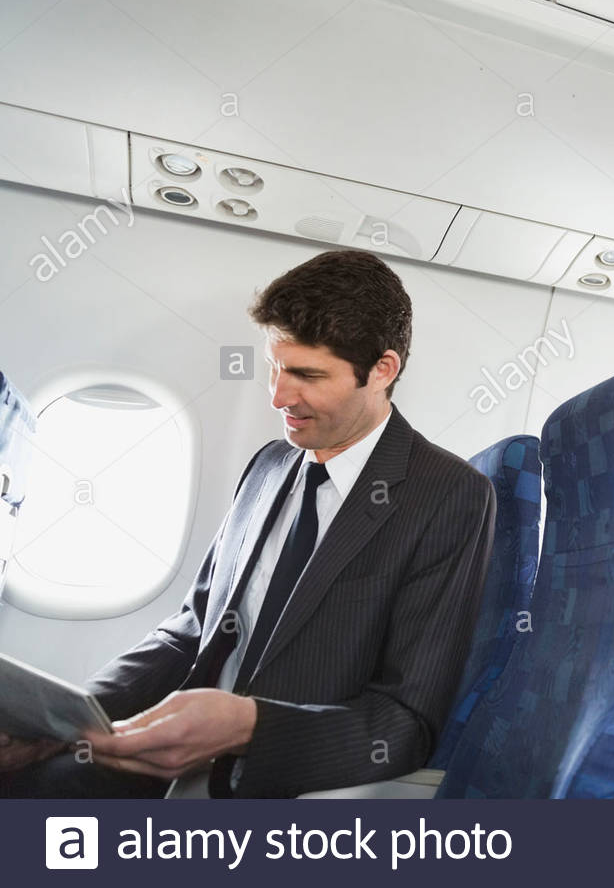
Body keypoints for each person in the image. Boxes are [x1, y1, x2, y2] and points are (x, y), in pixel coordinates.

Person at [0, 250, 495, 797]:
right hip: (170, 759)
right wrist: (67, 724)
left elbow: (404, 723)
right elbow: (190, 631)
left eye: (307, 374)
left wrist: (248, 727)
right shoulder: (269, 466)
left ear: (382, 370)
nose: (279, 395)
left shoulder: (449, 495)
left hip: (279, 782)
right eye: (275, 367)